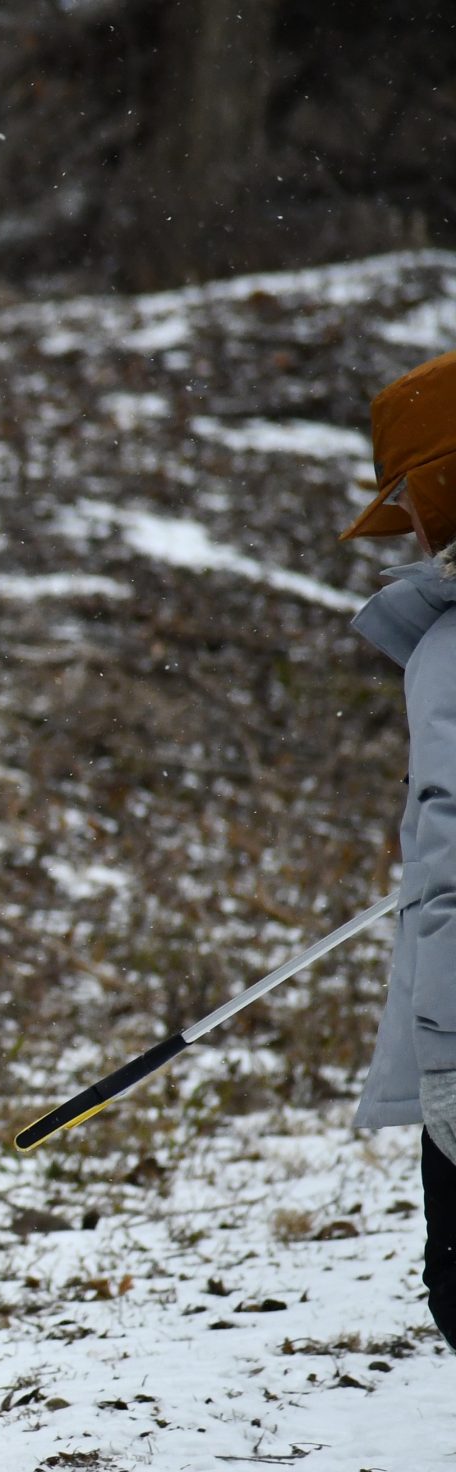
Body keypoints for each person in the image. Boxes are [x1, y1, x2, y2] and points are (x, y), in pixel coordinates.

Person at [344, 349, 456, 1351]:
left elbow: (449, 868)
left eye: (408, 504)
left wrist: (447, 1062)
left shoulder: (448, 654)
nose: (407, 532)